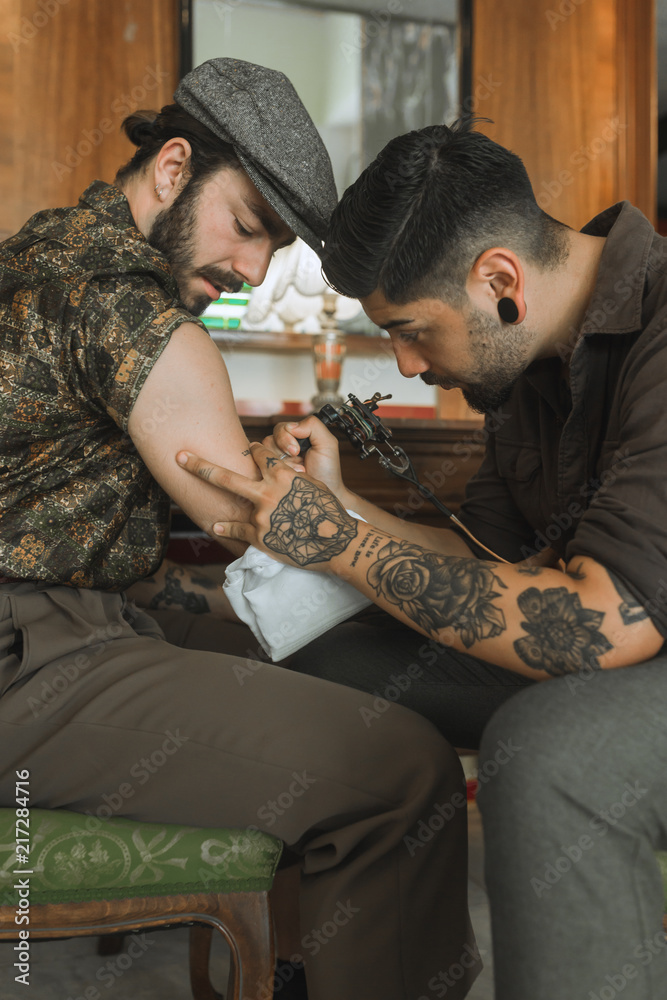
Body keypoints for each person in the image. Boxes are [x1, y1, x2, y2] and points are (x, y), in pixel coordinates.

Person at [0, 63, 483, 1000]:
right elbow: (254, 527)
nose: (252, 270)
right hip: (31, 658)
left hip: (81, 618)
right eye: (248, 224)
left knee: (351, 660)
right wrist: (310, 494)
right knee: (402, 767)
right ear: (173, 168)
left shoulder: (42, 250)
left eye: (275, 247)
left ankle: (301, 962)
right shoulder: (130, 312)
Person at [177, 118, 667, 1000]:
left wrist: (339, 541)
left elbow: (601, 628)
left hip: (629, 638)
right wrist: (342, 512)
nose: (404, 365)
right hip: (620, 629)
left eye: (409, 330)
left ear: (497, 281)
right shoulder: (521, 360)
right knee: (314, 656)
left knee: (550, 749)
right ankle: (345, 970)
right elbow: (490, 561)